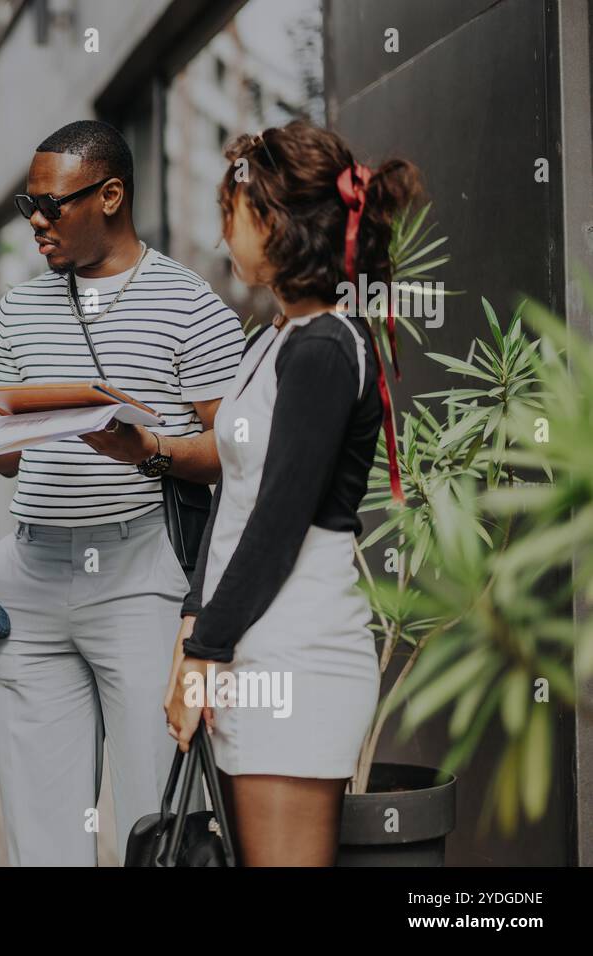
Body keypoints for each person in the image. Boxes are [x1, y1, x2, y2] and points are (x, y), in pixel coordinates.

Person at [0, 120, 244, 865]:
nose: (36, 222)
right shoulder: (17, 308)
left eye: (52, 205)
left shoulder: (191, 304)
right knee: (42, 837)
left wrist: (152, 452)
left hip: (142, 576)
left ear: (111, 195)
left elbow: (237, 453)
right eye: (26, 206)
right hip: (31, 579)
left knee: (158, 820)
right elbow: (10, 462)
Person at [164, 120, 422, 865]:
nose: (223, 236)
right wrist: (192, 633)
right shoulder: (278, 338)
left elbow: (278, 522)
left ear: (272, 221)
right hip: (250, 646)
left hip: (298, 655)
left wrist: (203, 649)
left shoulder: (324, 349)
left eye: (230, 215)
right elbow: (233, 499)